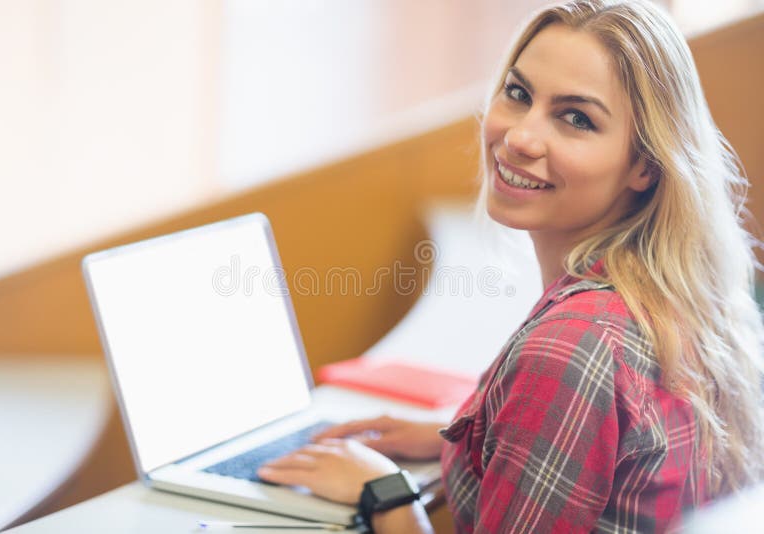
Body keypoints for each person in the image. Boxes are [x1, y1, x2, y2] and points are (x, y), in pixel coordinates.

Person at [257, 0, 764, 532]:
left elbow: (574, 374)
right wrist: (470, 434)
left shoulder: (571, 347)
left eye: (576, 118)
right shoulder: (684, 297)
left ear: (645, 166)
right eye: (519, 93)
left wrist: (384, 492)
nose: (519, 137)